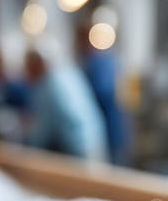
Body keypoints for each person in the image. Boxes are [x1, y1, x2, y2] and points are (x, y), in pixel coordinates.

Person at [23, 41, 108, 161]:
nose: (27, 74)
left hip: (78, 145)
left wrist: (28, 147)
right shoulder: (67, 70)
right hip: (95, 134)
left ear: (36, 64)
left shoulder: (49, 85)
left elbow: (43, 130)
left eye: (28, 67)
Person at [76, 24, 128, 164]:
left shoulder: (98, 63)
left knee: (113, 170)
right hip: (111, 125)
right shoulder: (105, 60)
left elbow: (104, 92)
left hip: (108, 125)